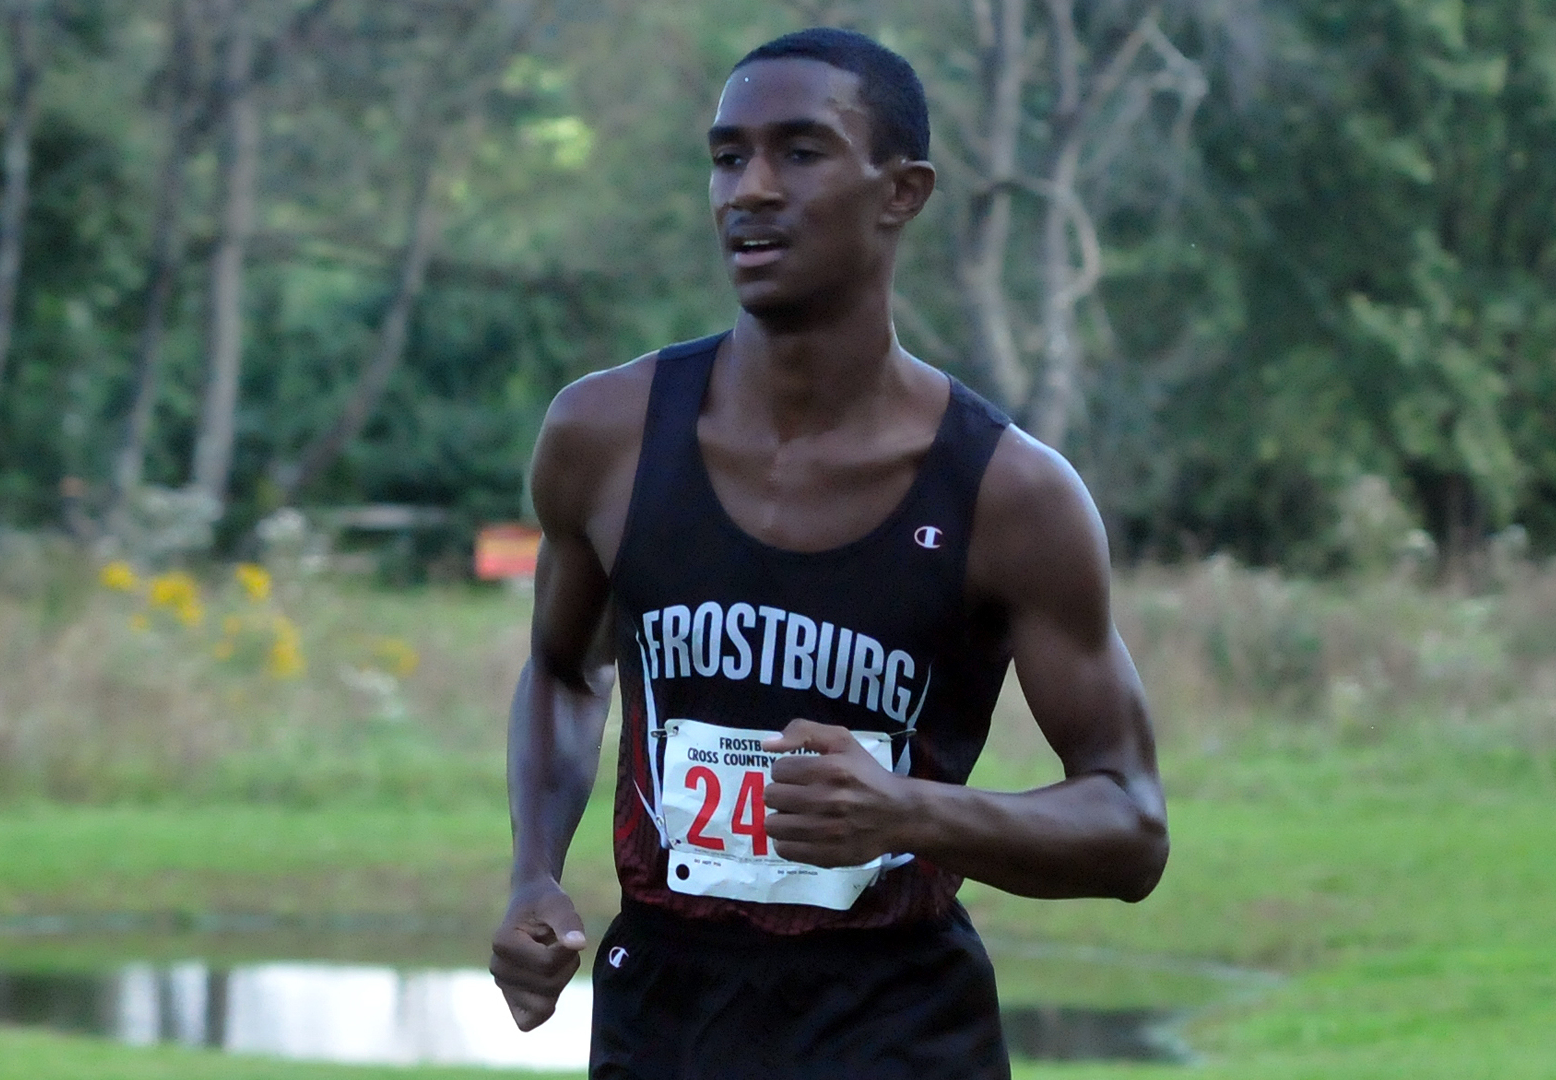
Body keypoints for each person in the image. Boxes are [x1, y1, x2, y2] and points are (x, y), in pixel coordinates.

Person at [488, 26, 1168, 1079]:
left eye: (799, 152)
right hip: (663, 1015)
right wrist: (536, 872)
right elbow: (568, 670)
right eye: (727, 156)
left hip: (898, 1025)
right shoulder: (604, 436)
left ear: (902, 192)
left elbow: (1130, 825)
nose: (749, 189)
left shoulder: (1010, 493)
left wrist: (910, 812)